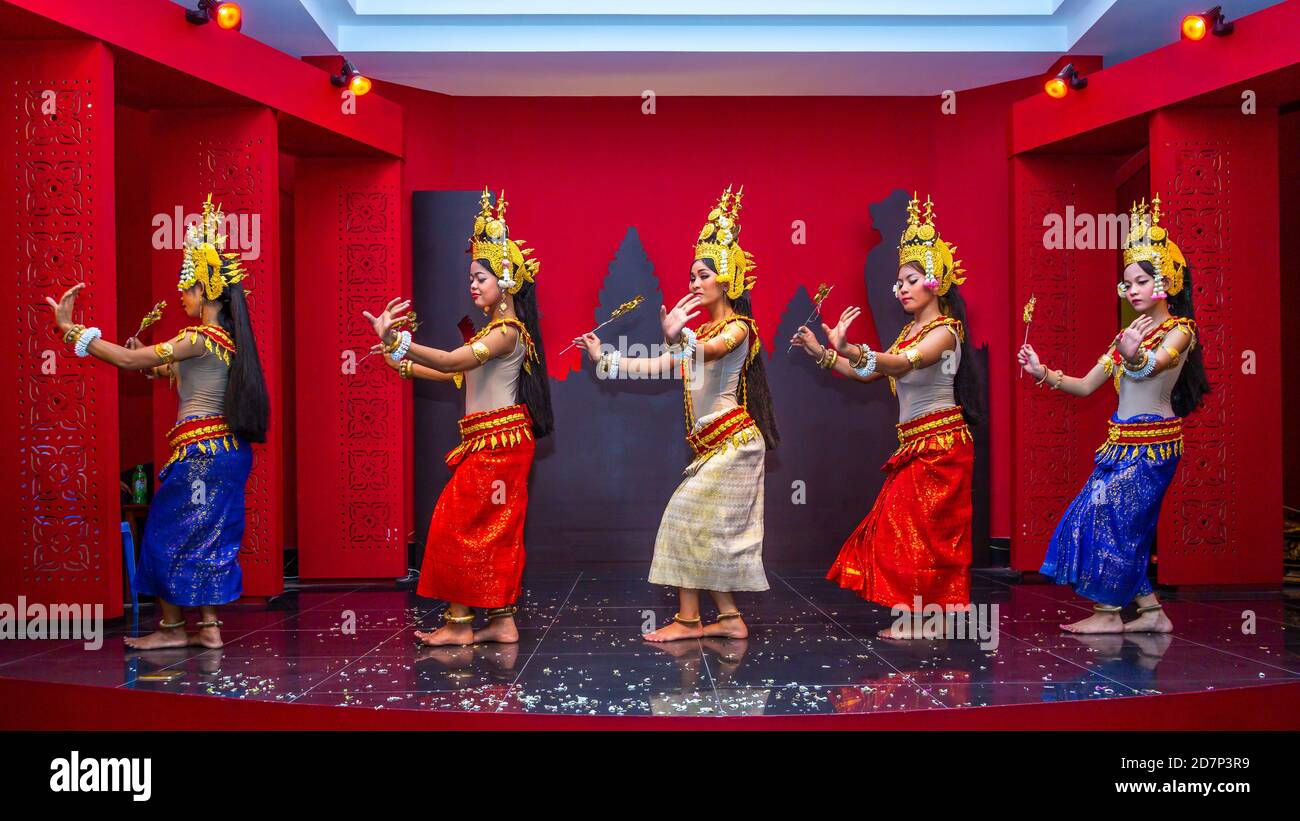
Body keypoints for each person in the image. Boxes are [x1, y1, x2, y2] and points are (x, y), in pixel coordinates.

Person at [46, 194, 268, 650]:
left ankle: (170, 630)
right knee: (205, 534)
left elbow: (129, 360)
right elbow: (158, 368)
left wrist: (71, 330)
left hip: (202, 455)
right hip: (226, 453)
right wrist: (148, 361)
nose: (180, 295)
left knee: (167, 533)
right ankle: (207, 627)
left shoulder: (199, 336)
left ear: (205, 292)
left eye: (186, 287)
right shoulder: (225, 341)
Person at [575, 186, 779, 642]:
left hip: (736, 444)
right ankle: (727, 618)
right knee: (701, 530)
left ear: (727, 280)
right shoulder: (703, 331)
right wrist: (605, 358)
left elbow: (704, 351)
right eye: (691, 275)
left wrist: (678, 337)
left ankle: (690, 620)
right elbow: (660, 363)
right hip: (715, 446)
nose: (694, 282)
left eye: (703, 274)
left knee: (683, 519)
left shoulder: (738, 329)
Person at [366, 188, 553, 646]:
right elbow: (456, 375)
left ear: (505, 282)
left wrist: (402, 341)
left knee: (455, 524)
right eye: (471, 276)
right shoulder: (493, 332)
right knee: (490, 532)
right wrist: (400, 361)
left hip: (500, 447)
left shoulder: (508, 333)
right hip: (490, 444)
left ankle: (458, 624)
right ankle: (501, 621)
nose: (473, 285)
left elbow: (453, 362)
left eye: (481, 277)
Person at [791, 193, 983, 638]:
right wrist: (824, 354)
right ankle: (923, 617)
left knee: (921, 533)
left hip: (941, 446)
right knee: (902, 530)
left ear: (936, 282)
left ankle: (925, 619)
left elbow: (898, 365)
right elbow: (867, 375)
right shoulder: (908, 332)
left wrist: (853, 348)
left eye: (911, 280)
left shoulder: (945, 333)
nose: (900, 288)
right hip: (915, 444)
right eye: (899, 282)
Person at [1018, 194, 1209, 634]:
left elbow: (1154, 365)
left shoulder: (1180, 331)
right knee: (1117, 521)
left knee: (1109, 517)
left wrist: (1134, 352)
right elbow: (1085, 386)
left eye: (1142, 281)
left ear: (1168, 283)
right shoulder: (1127, 335)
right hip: (1120, 445)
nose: (1133, 290)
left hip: (1153, 447)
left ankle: (1108, 616)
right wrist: (1042, 371)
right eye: (1128, 284)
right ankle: (1152, 612)